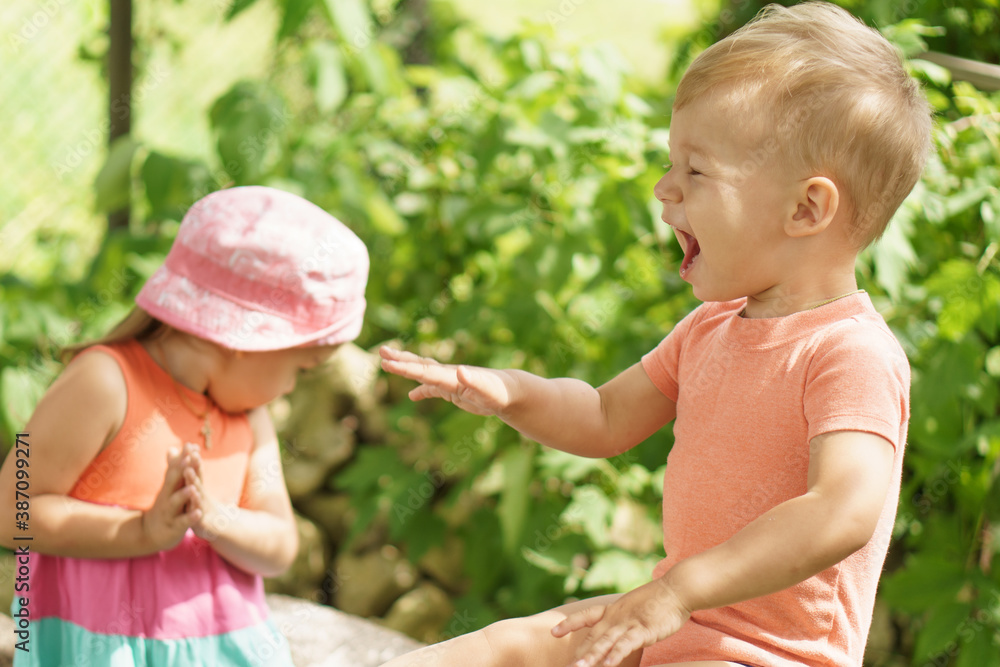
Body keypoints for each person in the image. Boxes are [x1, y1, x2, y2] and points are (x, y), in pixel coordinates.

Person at [378, 3, 931, 667]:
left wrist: (682, 588)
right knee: (509, 645)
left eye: (696, 171)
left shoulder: (850, 353)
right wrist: (510, 392)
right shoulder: (710, 329)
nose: (665, 190)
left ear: (806, 208)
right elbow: (605, 414)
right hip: (673, 620)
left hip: (769, 654)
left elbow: (842, 509)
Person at [0, 186, 370, 666]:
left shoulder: (247, 417)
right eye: (299, 369)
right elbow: (12, 511)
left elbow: (279, 548)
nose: (289, 390)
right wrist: (140, 531)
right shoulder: (104, 383)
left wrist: (216, 519)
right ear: (248, 339)